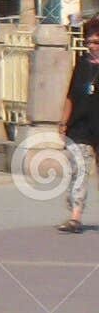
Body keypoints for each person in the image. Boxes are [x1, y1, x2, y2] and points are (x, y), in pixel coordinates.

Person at [55, 17, 99, 233]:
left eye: (96, 42)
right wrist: (63, 122)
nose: (92, 46)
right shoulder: (81, 64)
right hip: (80, 126)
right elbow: (71, 96)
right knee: (79, 171)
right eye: (89, 41)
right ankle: (75, 217)